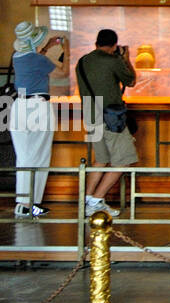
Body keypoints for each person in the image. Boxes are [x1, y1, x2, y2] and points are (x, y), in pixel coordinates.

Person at [7, 22, 68, 217]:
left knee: (24, 156)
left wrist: (47, 46)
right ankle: (32, 203)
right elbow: (62, 72)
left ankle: (22, 203)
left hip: (19, 107)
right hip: (38, 106)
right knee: (40, 156)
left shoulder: (17, 57)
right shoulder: (38, 59)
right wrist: (65, 52)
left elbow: (35, 55)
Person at [75, 28, 137, 217]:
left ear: (96, 43)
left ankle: (85, 200)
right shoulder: (113, 61)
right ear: (114, 45)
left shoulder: (82, 62)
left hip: (90, 115)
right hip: (110, 116)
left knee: (102, 159)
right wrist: (126, 58)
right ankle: (96, 200)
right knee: (124, 160)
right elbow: (131, 80)